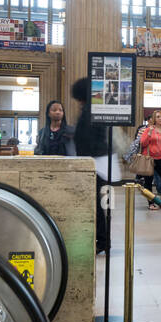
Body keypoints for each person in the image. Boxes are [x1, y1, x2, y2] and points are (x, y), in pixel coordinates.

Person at [70, 76, 110, 252]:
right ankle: (102, 239)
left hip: (93, 164)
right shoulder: (93, 110)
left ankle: (102, 240)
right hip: (98, 162)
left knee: (96, 204)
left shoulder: (89, 113)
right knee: (99, 204)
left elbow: (87, 141)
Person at [139, 110, 161, 206]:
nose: (160, 119)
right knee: (148, 182)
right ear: (154, 118)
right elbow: (143, 143)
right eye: (158, 117)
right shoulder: (148, 129)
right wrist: (149, 133)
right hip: (149, 158)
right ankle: (150, 203)